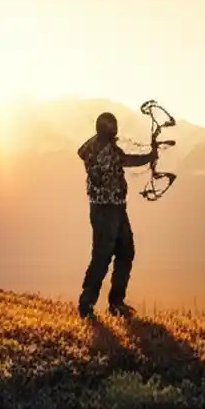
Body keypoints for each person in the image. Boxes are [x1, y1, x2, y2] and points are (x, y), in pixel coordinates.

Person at [77, 111, 156, 319]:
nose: (116, 131)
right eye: (113, 127)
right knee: (105, 256)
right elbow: (127, 160)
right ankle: (90, 304)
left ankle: (113, 303)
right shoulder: (107, 151)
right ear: (109, 129)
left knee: (122, 252)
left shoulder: (93, 146)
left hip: (110, 208)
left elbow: (83, 152)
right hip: (109, 210)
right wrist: (150, 156)